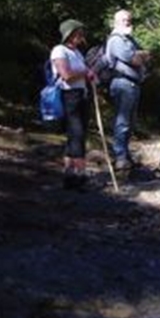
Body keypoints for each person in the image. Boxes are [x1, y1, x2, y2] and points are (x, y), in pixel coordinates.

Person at [51, 19, 94, 190]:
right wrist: (84, 72)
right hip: (69, 96)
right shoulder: (59, 50)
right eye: (78, 33)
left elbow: (82, 74)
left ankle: (69, 174)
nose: (81, 37)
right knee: (77, 134)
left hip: (81, 95)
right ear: (69, 34)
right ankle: (80, 174)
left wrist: (90, 76)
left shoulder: (76, 52)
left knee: (76, 135)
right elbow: (66, 75)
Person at [105, 9, 150, 170]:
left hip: (132, 84)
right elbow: (135, 59)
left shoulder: (129, 39)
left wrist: (141, 55)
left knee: (130, 122)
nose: (128, 22)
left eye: (129, 20)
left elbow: (146, 55)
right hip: (122, 83)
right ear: (116, 22)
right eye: (124, 20)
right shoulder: (117, 39)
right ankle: (120, 157)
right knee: (122, 121)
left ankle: (125, 156)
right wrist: (140, 55)